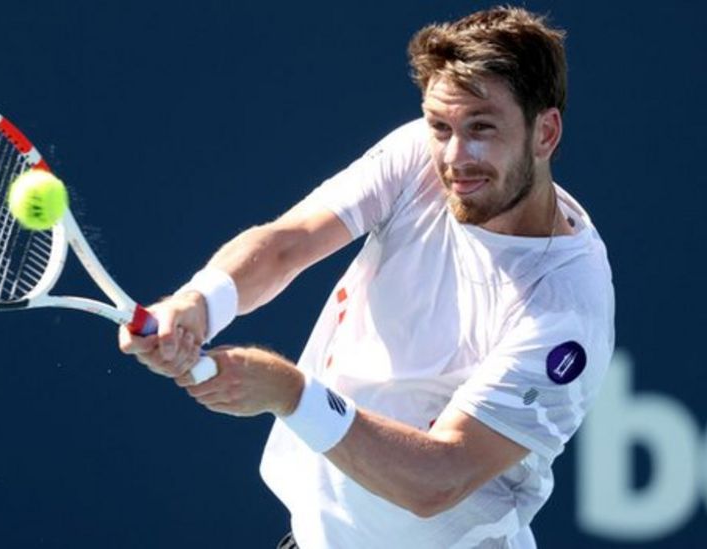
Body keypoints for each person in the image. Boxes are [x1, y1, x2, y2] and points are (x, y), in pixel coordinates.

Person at [120, 6, 615, 548]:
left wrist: (290, 393)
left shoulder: (566, 309)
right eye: (440, 126)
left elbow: (438, 479)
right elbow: (289, 243)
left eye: (482, 129)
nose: (455, 157)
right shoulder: (419, 157)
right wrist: (200, 302)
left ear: (545, 132)